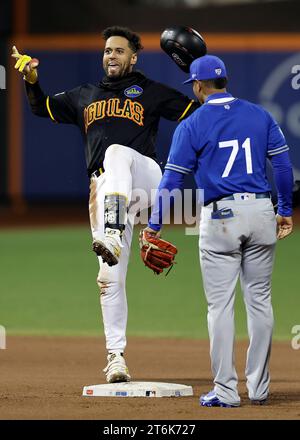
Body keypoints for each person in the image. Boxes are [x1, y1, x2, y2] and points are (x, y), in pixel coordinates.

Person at [12, 26, 200, 383]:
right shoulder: (85, 95)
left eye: (118, 51)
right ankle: (116, 357)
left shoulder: (152, 92)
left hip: (146, 183)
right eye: (107, 51)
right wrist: (31, 78)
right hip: (105, 190)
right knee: (107, 276)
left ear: (133, 57)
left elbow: (199, 112)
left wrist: (200, 73)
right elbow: (42, 107)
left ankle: (112, 233)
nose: (110, 56)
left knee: (116, 153)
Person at [144, 54, 294, 407]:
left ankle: (226, 391)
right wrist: (285, 210)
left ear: (198, 85)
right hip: (260, 211)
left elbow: (172, 179)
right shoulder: (259, 115)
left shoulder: (193, 124)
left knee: (220, 307)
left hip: (221, 216)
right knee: (260, 302)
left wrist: (154, 225)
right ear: (225, 80)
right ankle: (259, 389)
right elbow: (284, 165)